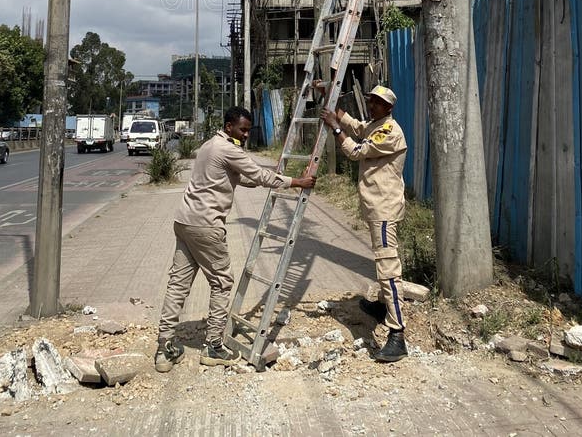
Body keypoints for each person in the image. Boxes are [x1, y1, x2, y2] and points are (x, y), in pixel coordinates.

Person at [155, 106, 316, 372]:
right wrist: (297, 182)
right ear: (228, 126)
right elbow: (259, 175)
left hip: (184, 221)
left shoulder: (209, 145)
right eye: (242, 129)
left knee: (178, 284)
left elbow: (240, 177)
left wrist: (270, 177)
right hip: (207, 225)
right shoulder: (229, 149)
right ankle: (214, 345)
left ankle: (164, 347)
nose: (246, 134)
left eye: (248, 130)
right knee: (222, 282)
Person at [315, 82, 409, 362]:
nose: (372, 105)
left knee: (388, 268)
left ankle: (397, 334)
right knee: (383, 264)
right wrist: (333, 104)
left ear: (388, 107)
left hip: (384, 208)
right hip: (376, 207)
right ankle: (382, 308)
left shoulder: (390, 131)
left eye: (377, 103)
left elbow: (356, 150)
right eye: (371, 101)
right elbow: (357, 126)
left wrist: (334, 126)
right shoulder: (376, 124)